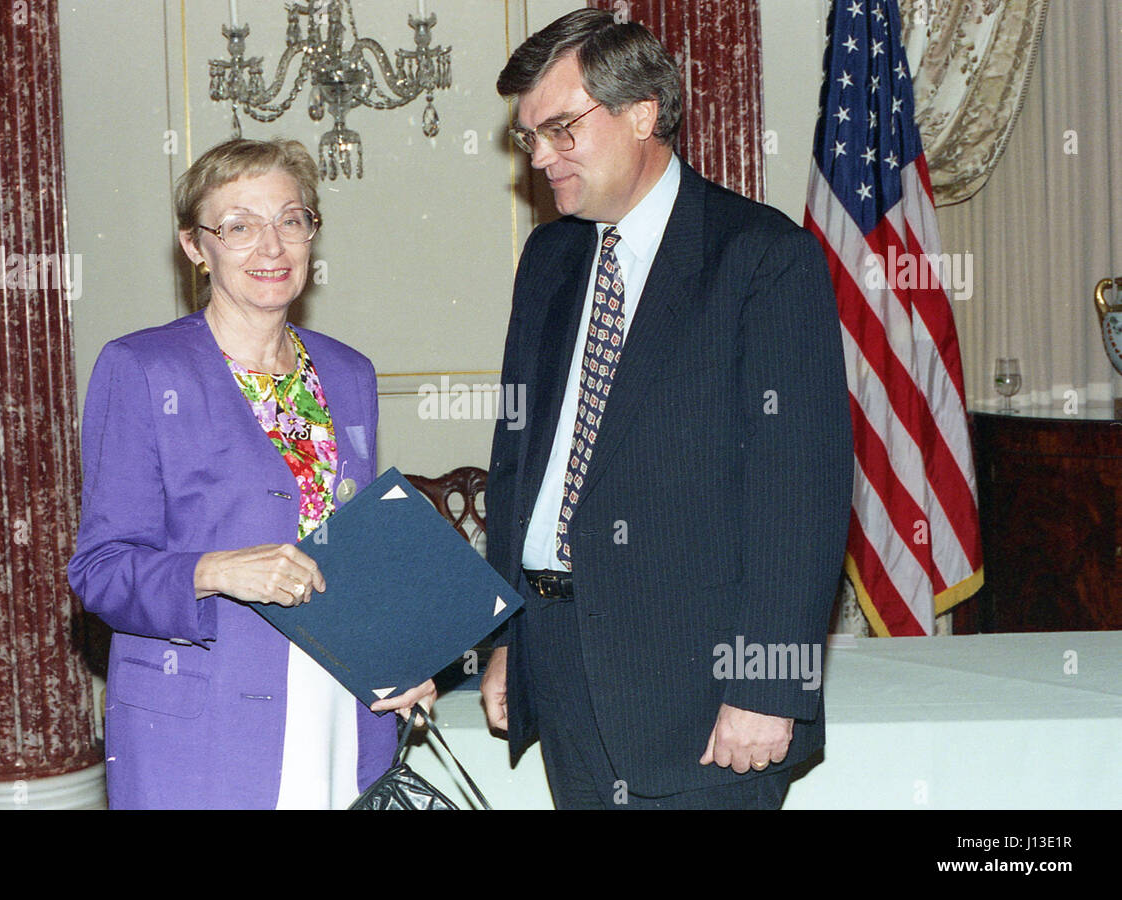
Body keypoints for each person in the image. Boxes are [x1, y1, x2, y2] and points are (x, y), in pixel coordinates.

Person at [479, 9, 853, 809]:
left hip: (706, 699)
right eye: (529, 137)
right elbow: (518, 464)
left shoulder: (760, 257)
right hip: (563, 670)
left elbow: (803, 494)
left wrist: (770, 685)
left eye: (560, 130)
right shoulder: (549, 258)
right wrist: (507, 637)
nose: (540, 156)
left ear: (643, 112)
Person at [68, 138, 434, 809]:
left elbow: (354, 551)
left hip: (339, 707)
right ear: (194, 247)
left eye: (290, 221)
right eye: (238, 226)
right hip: (204, 724)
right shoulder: (143, 370)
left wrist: (401, 650)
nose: (272, 248)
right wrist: (215, 571)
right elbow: (100, 571)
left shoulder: (349, 374)